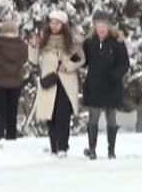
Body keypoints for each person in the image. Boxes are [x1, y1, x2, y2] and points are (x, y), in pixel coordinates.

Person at [29, 10, 84, 158]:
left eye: (57, 23)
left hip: (66, 83)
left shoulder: (72, 41)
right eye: (51, 22)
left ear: (63, 25)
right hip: (49, 82)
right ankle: (53, 147)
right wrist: (33, 46)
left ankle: (63, 147)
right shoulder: (44, 40)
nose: (53, 26)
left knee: (63, 116)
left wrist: (67, 65)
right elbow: (34, 61)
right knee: (50, 116)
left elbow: (80, 58)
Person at [82, 11, 129, 160]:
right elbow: (84, 60)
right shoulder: (89, 42)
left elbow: (124, 63)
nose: (101, 29)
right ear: (94, 27)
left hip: (111, 85)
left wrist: (116, 74)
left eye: (103, 25)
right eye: (98, 25)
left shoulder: (117, 42)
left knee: (111, 118)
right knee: (93, 117)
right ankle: (92, 149)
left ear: (109, 26)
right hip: (94, 84)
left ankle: (111, 150)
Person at [0, 19, 28, 142]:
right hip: (16, 82)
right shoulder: (22, 46)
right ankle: (11, 135)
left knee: (0, 111)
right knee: (12, 111)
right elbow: (25, 59)